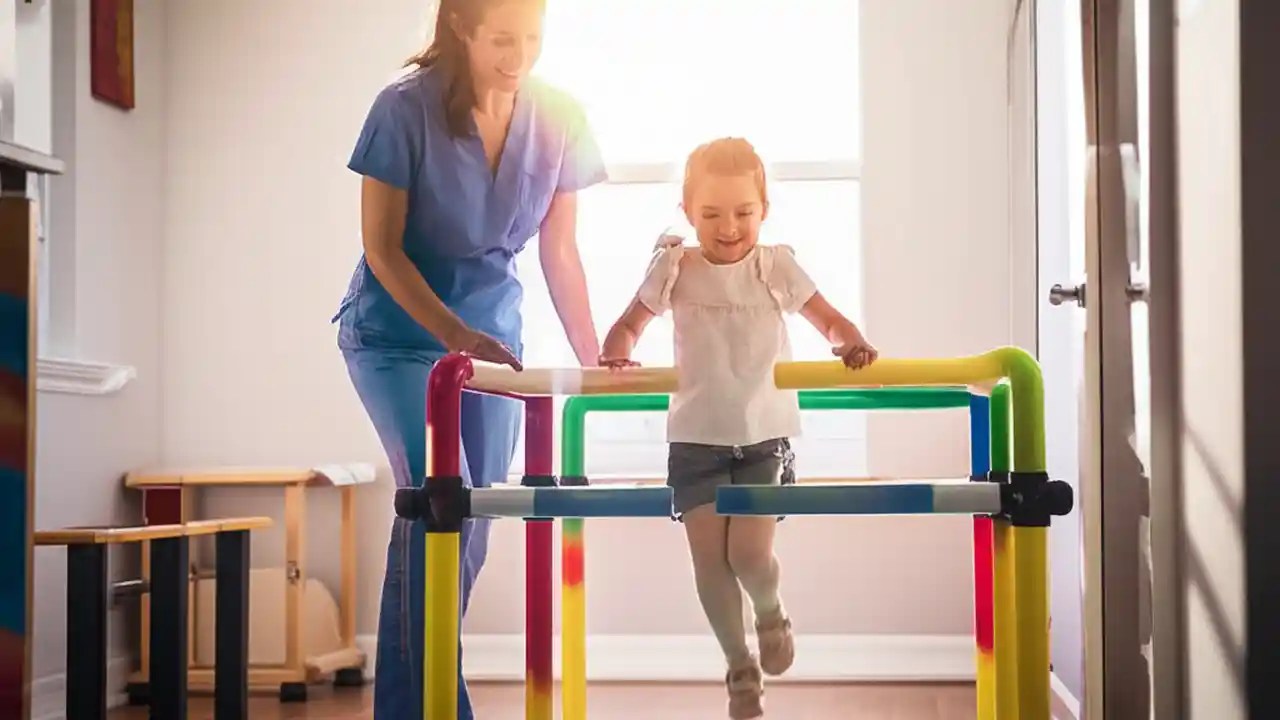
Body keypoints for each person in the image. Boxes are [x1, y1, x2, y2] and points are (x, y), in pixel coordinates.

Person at [332, 0, 606, 716]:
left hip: (491, 345)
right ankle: (429, 707)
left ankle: (418, 699)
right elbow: (381, 249)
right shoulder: (403, 108)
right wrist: (450, 332)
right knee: (433, 501)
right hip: (397, 335)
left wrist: (595, 356)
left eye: (534, 40)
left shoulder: (560, 116)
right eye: (503, 40)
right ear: (459, 26)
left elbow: (560, 251)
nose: (520, 56)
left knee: (471, 522)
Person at [599, 137, 877, 719]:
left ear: (764, 209)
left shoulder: (773, 265)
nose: (729, 227)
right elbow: (626, 326)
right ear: (687, 211)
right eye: (712, 214)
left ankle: (771, 614)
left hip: (761, 435)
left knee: (749, 557)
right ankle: (738, 665)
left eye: (744, 212)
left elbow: (828, 319)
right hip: (695, 437)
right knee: (709, 562)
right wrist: (618, 351)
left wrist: (848, 342)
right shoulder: (675, 267)